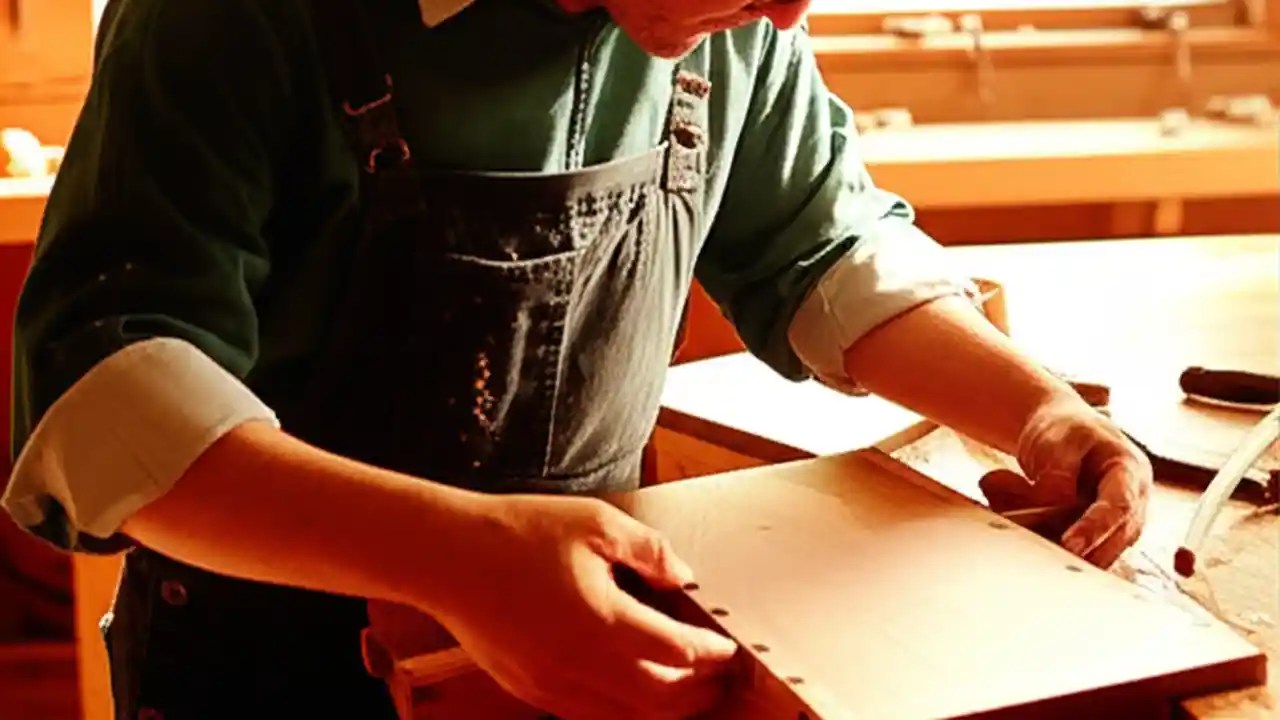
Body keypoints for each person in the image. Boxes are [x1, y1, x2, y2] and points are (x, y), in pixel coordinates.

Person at [2, 0, 1153, 718]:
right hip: (271, 670)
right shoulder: (230, 20)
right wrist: (458, 562)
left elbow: (824, 245)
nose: (789, 12)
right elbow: (105, 391)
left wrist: (1034, 410)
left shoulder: (726, 24)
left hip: (602, 651)